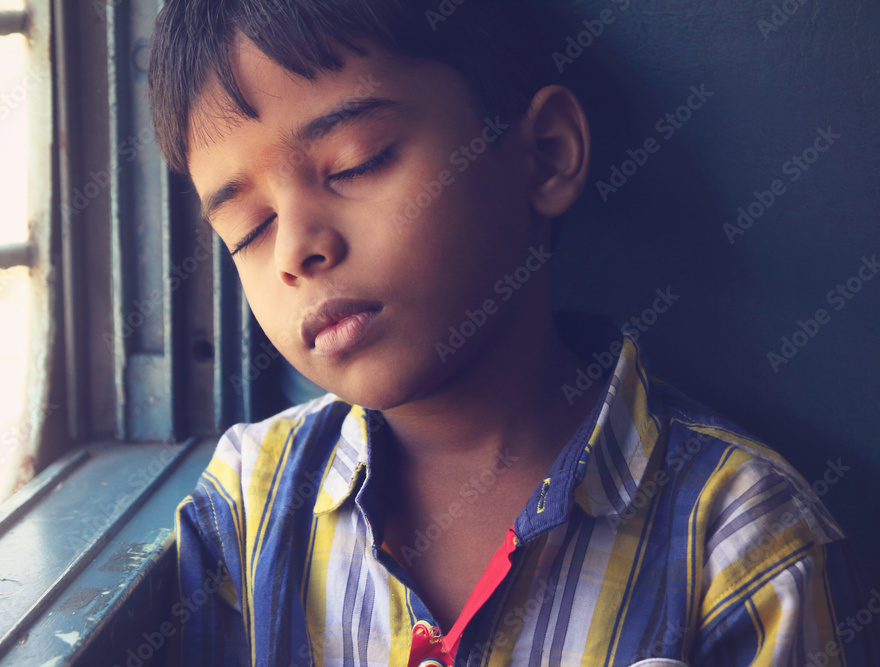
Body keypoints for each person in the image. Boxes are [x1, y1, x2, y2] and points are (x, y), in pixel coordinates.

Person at [148, 1, 878, 664]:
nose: (295, 250)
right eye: (249, 227)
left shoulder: (740, 544)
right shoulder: (245, 510)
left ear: (546, 154)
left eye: (358, 163)